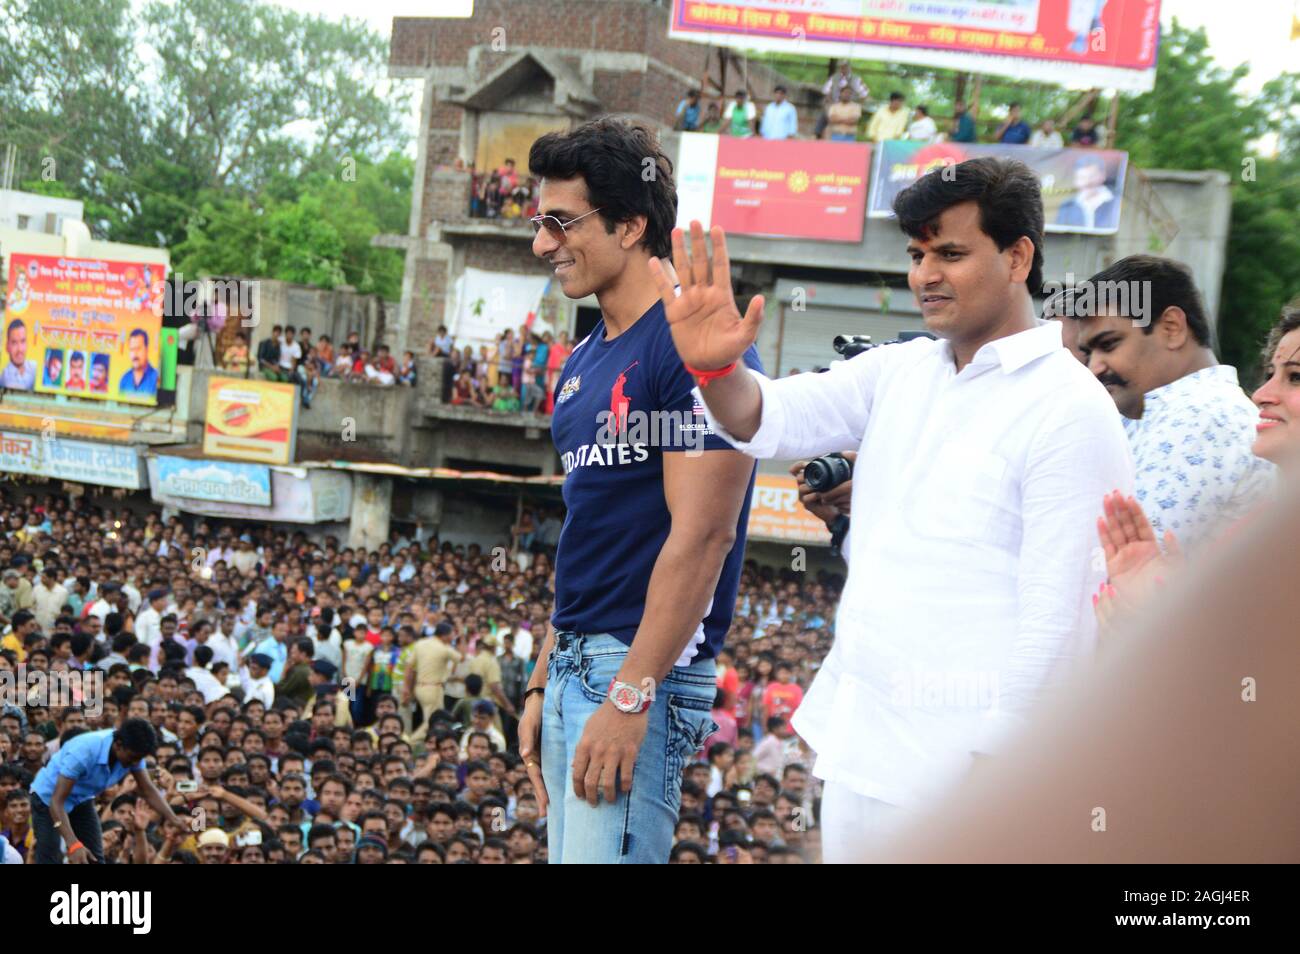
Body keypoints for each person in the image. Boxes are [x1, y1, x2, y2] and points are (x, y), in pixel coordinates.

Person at [661, 156, 1133, 861]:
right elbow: (769, 418)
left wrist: (1002, 765)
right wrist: (714, 369)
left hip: (967, 776)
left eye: (950, 253)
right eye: (916, 254)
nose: (924, 275)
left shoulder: (1071, 409)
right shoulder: (902, 370)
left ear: (1017, 255)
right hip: (863, 748)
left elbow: (1057, 616)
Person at [521, 117, 761, 864]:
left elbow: (705, 535)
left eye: (562, 223)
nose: (542, 245)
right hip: (576, 665)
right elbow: (591, 534)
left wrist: (630, 694)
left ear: (630, 226)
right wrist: (539, 683)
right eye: (539, 223)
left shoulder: (688, 339)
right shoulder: (583, 359)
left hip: (635, 671)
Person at [1064, 255, 1276, 554]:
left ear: (1172, 327)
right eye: (1088, 353)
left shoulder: (1203, 416)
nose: (1094, 367)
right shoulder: (1154, 413)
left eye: (1109, 344)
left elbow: (1125, 564)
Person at [30, 718, 186, 863]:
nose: (135, 763)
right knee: (50, 855)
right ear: (118, 744)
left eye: (139, 759)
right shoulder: (84, 752)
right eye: (132, 758)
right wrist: (73, 844)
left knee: (95, 857)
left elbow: (148, 790)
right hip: (48, 799)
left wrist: (174, 819)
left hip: (81, 799)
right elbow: (56, 803)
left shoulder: (134, 754)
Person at [1055, 154, 1118, 229]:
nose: (1087, 182)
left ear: (1103, 176)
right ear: (1075, 180)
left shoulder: (1116, 203)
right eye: (1082, 178)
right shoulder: (1066, 207)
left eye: (1092, 176)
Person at [118, 329, 158, 396]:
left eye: (138, 349)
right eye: (132, 349)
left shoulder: (156, 378)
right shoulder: (124, 379)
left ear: (147, 350)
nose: (135, 354)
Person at [1, 319, 36, 390]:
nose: (20, 349)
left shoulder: (34, 367)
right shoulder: (4, 378)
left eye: (23, 341)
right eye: (14, 343)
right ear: (7, 347)